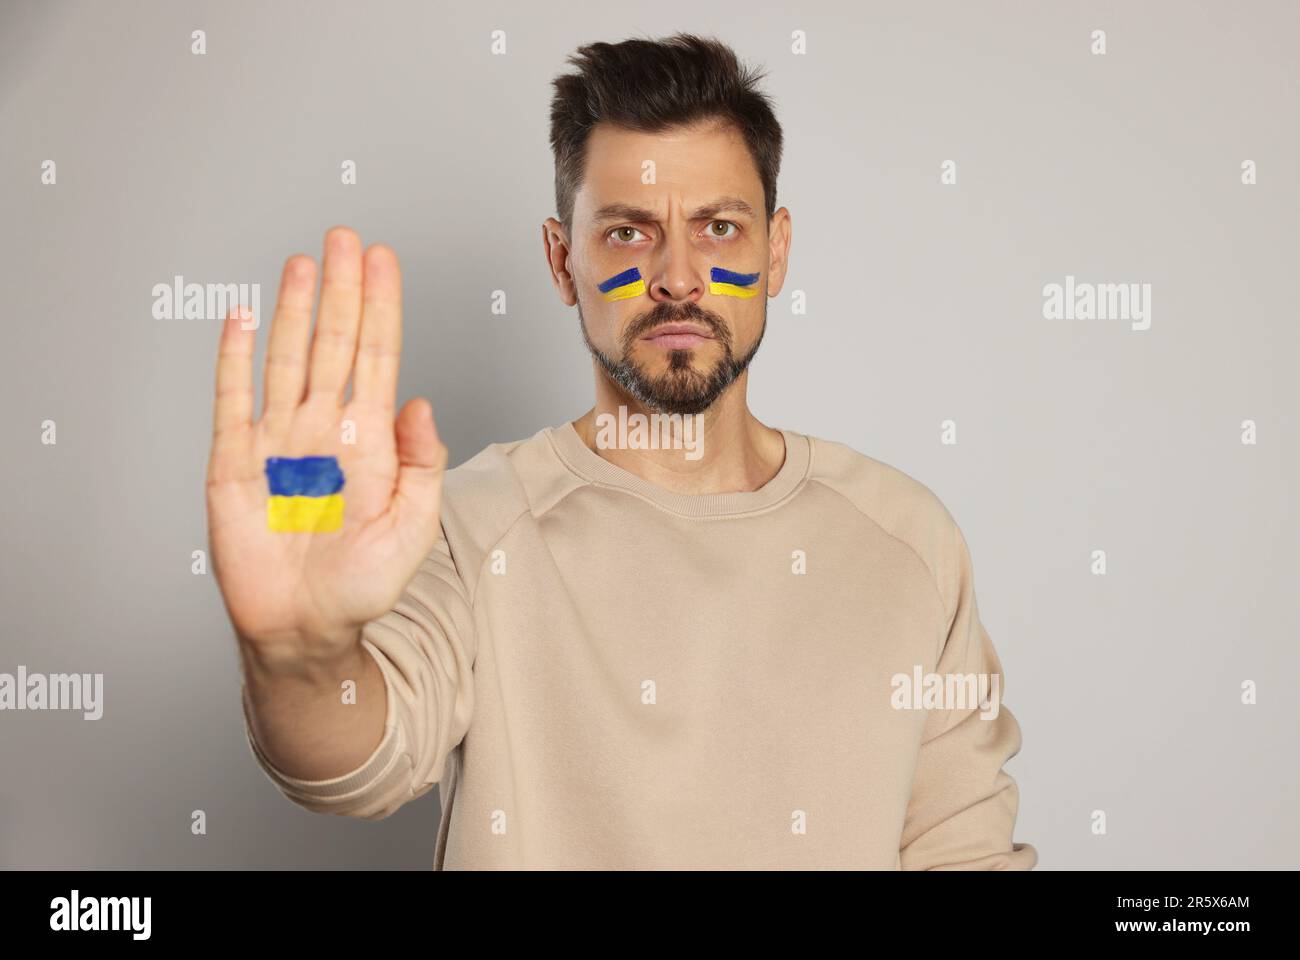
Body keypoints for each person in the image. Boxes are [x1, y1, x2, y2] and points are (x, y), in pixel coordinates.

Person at [207, 32, 1036, 869]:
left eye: (718, 227)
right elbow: (358, 764)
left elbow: (962, 848)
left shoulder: (907, 537)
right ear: (563, 262)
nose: (678, 276)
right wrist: (299, 660)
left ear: (775, 250)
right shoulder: (470, 525)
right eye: (629, 235)